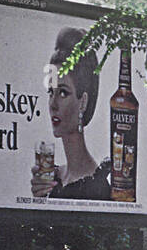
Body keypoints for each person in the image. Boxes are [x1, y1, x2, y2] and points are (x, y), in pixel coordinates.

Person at [31, 28, 111, 200]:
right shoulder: (55, 177)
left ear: (82, 102)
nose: (53, 104)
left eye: (63, 93)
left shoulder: (96, 184)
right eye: (50, 93)